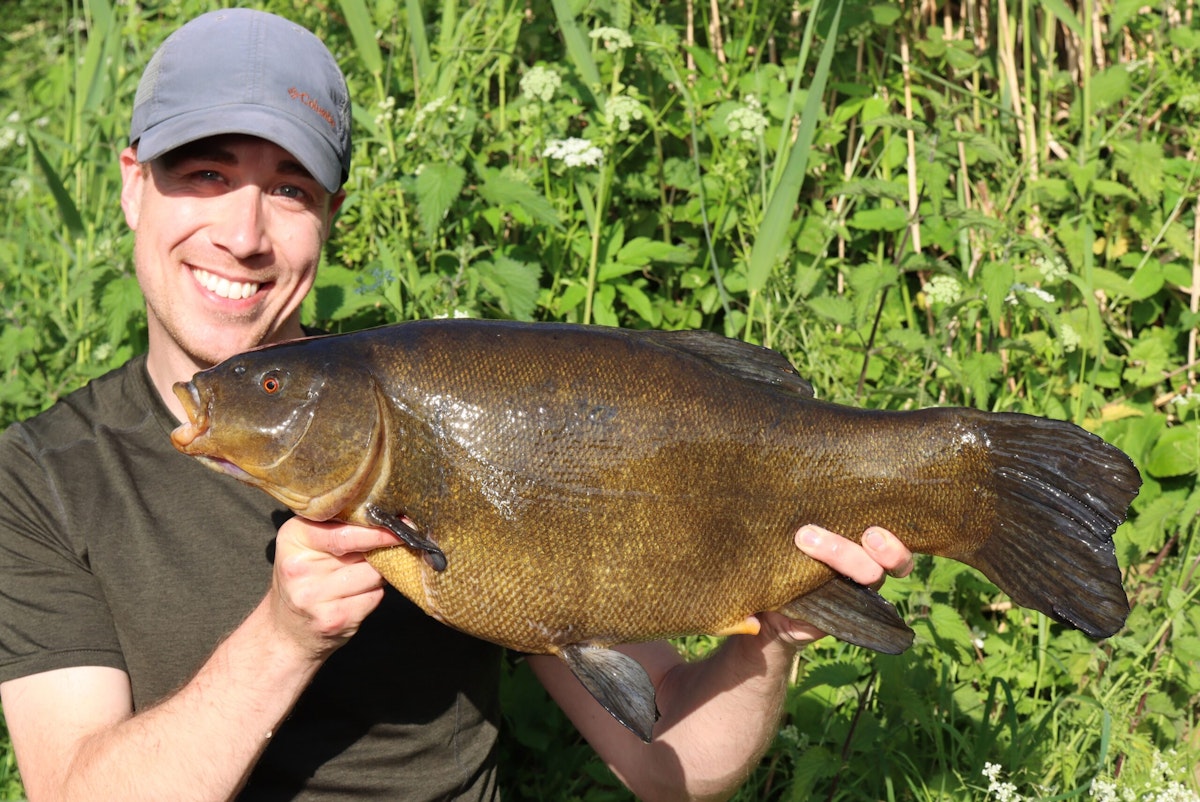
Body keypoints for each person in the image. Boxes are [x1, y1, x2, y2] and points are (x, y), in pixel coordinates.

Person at [0, 9, 913, 801]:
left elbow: (673, 762)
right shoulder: (39, 480)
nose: (243, 235)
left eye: (288, 189)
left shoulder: (463, 400)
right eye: (205, 175)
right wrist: (283, 641)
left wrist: (780, 630)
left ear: (331, 214)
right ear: (131, 185)